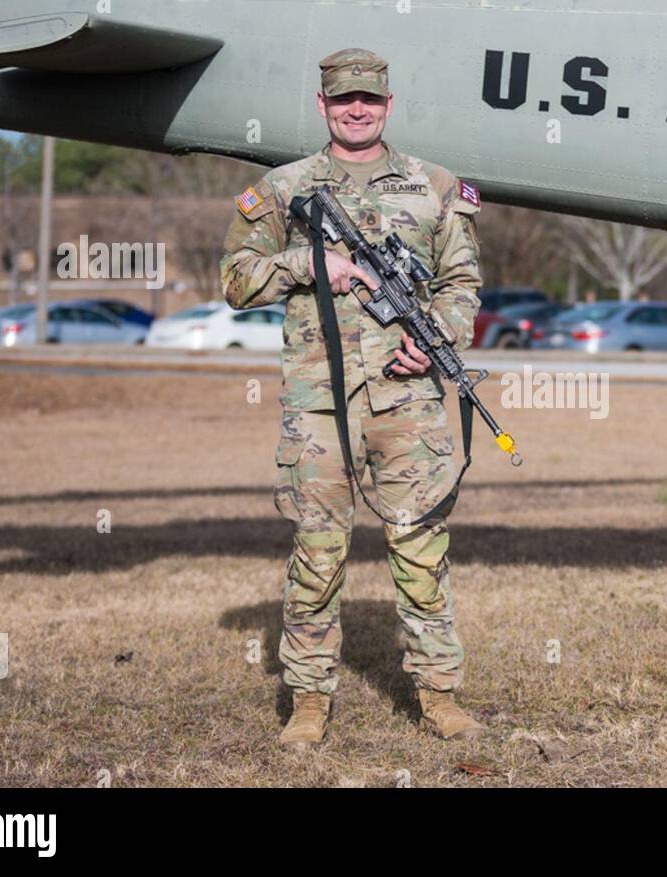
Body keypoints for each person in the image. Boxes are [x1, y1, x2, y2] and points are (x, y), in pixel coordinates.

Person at [220, 48, 484, 749]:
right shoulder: (284, 187)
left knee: (421, 547)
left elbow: (462, 285)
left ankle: (439, 694)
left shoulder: (434, 186)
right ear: (322, 105)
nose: (357, 109)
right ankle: (309, 700)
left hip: (410, 400)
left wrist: (437, 339)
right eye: (343, 101)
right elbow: (236, 280)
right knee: (317, 548)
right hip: (320, 403)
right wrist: (307, 262)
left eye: (368, 99)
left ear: (389, 104)